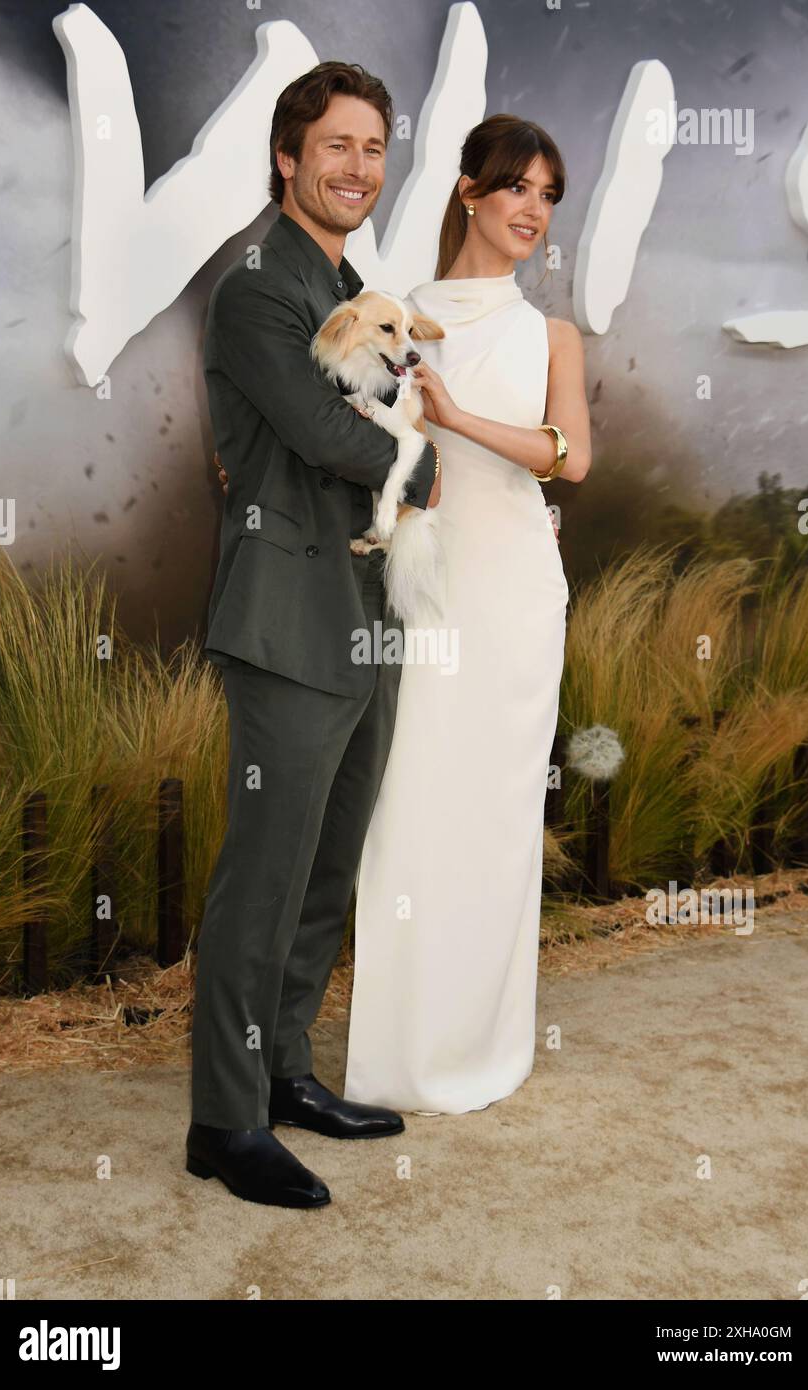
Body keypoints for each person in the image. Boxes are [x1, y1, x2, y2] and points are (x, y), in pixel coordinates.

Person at [187, 62, 442, 1210]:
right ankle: (226, 1121)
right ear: (288, 157)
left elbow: (355, 423)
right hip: (287, 616)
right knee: (267, 873)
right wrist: (423, 459)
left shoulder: (347, 281)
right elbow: (323, 432)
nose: (358, 168)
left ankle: (285, 1068)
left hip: (361, 614)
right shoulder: (257, 284)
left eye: (374, 149)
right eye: (335, 145)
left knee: (328, 864)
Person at [343, 115, 592, 1115]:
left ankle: (487, 1045)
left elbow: (570, 457)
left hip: (519, 595)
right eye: (516, 187)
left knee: (493, 821)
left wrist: (455, 417)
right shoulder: (393, 313)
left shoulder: (552, 334)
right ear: (468, 191)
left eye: (548, 194)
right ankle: (399, 1053)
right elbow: (367, 441)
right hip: (429, 589)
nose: (532, 210)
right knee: (408, 812)